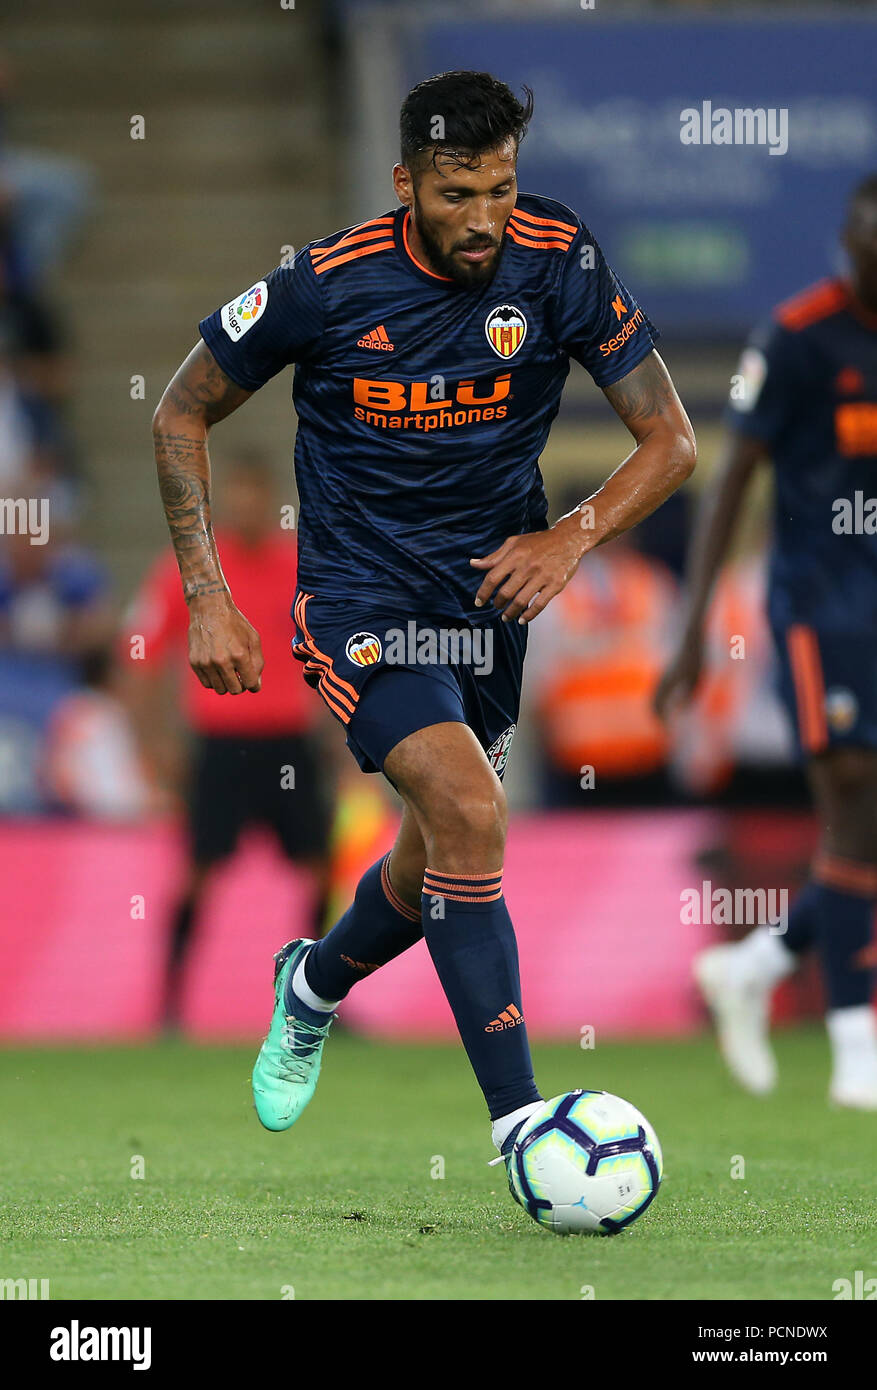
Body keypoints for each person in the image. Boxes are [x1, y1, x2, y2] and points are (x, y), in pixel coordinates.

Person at [151, 70, 695, 1196]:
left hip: (488, 600)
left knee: (442, 850)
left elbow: (670, 440)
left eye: (500, 188)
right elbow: (180, 408)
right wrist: (209, 593)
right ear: (405, 183)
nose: (485, 218)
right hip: (357, 598)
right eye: (456, 193)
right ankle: (522, 1133)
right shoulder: (324, 284)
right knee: (467, 808)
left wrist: (571, 537)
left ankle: (310, 987)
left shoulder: (562, 260)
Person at [656, 173, 877, 1110]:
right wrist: (695, 624)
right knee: (854, 801)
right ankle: (853, 1045)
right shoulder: (796, 335)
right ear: (849, 236)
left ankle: (755, 962)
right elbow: (733, 474)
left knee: (866, 826)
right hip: (821, 608)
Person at [122, 453, 334, 1028]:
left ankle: (323, 1001)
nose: (247, 507)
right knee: (196, 871)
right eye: (236, 496)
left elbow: (331, 651)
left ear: (270, 503)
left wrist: (340, 732)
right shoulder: (189, 573)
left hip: (289, 742)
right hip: (220, 742)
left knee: (320, 867)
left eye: (255, 496)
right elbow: (140, 653)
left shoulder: (297, 566)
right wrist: (153, 742)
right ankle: (169, 1006)